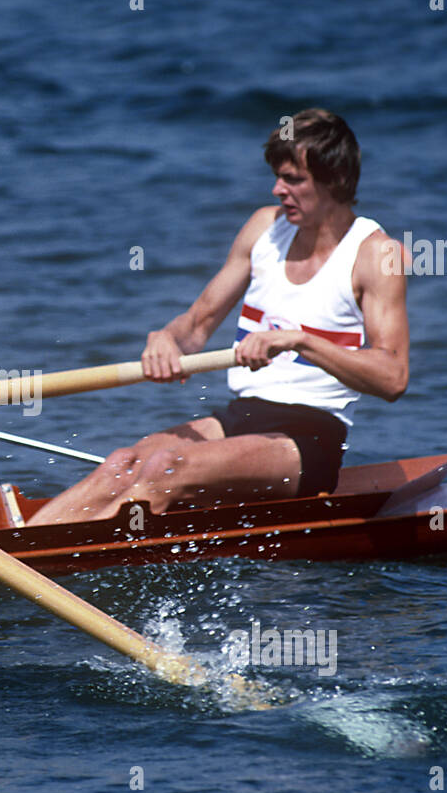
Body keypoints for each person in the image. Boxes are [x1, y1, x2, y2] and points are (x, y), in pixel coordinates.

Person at [28, 109, 409, 525]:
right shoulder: (265, 228)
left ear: (334, 179)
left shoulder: (375, 254)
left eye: (293, 179)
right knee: (123, 462)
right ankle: (15, 553)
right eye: (277, 176)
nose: (277, 189)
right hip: (240, 415)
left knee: (164, 468)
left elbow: (392, 378)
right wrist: (165, 339)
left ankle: (59, 567)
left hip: (309, 438)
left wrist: (300, 341)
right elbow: (196, 325)